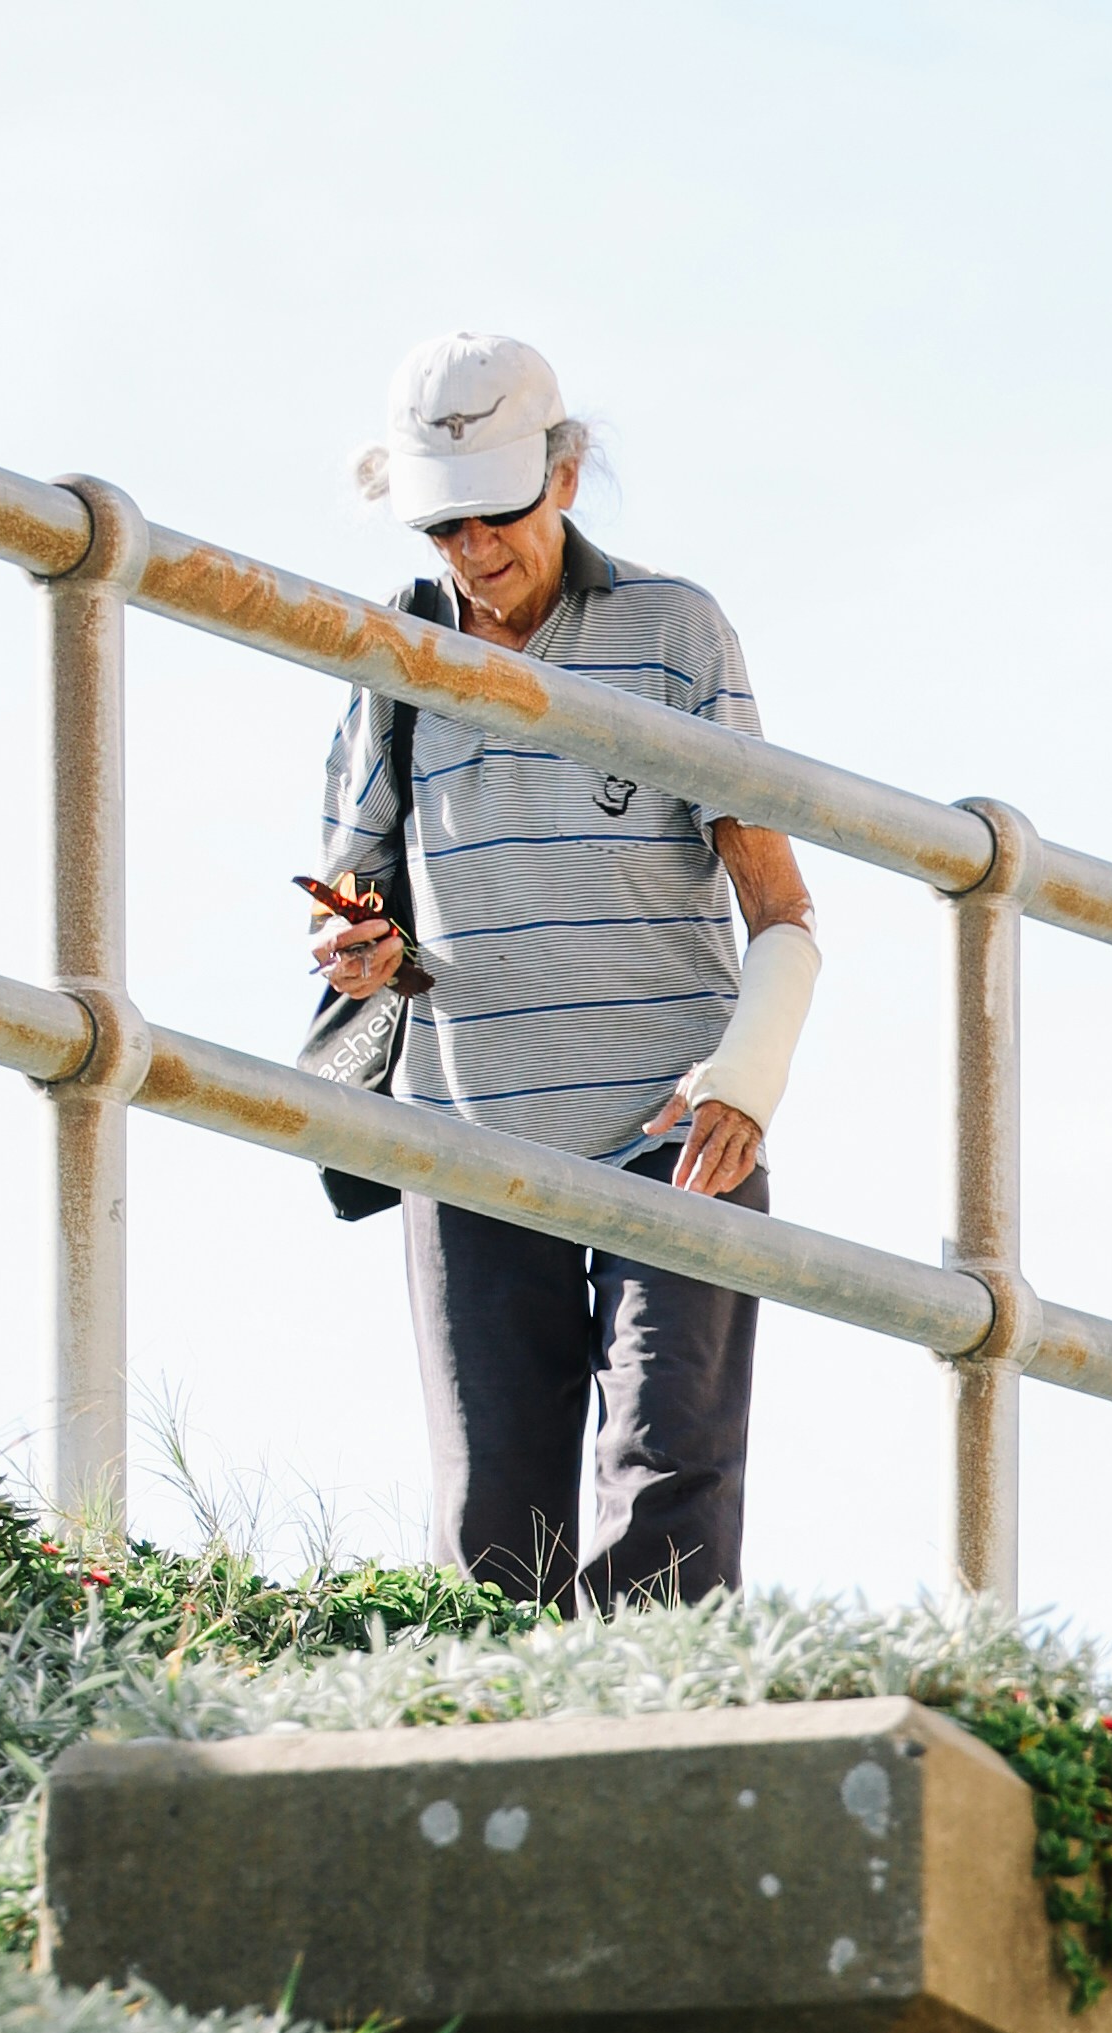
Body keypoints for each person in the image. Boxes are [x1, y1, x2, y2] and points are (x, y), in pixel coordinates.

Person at [311, 329, 819, 1610]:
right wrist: (363, 951)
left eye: (499, 513)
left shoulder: (676, 629)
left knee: (669, 1487)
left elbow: (783, 910)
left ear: (567, 477)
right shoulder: (392, 652)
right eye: (444, 526)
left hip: (672, 1128)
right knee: (494, 1535)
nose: (476, 550)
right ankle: (501, 1731)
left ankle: (662, 1733)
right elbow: (355, 899)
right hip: (466, 1134)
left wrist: (745, 1081)